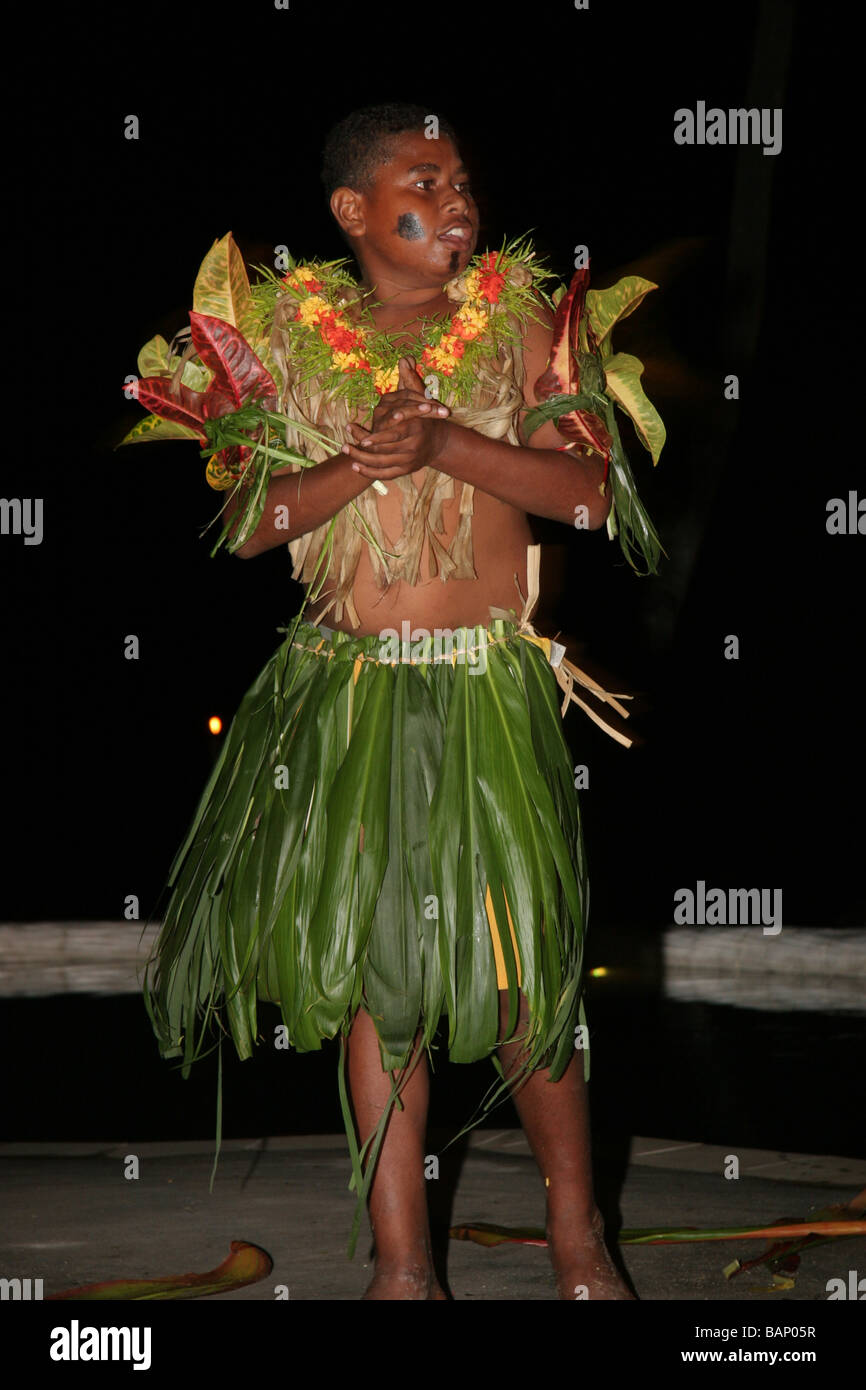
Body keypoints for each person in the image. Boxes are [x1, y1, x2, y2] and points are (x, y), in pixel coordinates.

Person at [144, 102, 643, 1300]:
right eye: (425, 176)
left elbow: (590, 498)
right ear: (352, 212)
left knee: (525, 975)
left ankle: (579, 1244)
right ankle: (403, 1270)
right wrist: (348, 466)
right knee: (386, 987)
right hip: (343, 701)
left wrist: (447, 451)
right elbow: (245, 528)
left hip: (484, 689)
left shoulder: (516, 320)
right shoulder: (285, 340)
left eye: (464, 175)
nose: (457, 194)